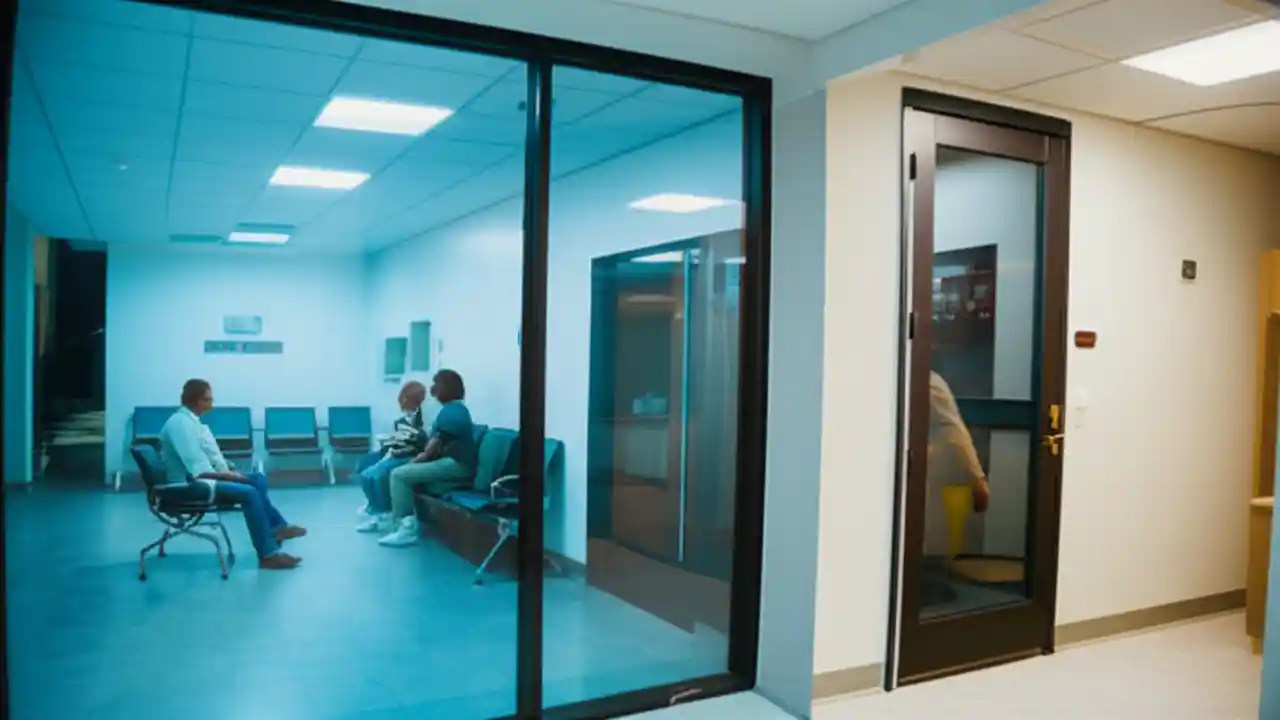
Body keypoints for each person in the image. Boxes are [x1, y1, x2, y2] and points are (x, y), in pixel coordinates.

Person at [157, 379, 306, 570]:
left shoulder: (191, 422)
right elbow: (197, 468)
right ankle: (268, 555)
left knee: (257, 479)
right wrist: (229, 476)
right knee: (249, 492)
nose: (211, 404)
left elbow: (207, 457)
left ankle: (276, 528)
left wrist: (226, 470)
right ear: (193, 400)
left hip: (201, 480)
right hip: (190, 486)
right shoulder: (180, 424)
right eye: (206, 400)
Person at [378, 369, 478, 547]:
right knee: (402, 471)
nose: (432, 389)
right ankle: (402, 522)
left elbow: (433, 446)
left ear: (446, 388)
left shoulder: (453, 412)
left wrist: (414, 462)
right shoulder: (453, 410)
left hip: (458, 465)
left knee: (399, 475)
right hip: (453, 462)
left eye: (436, 385)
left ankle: (407, 529)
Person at [921, 370, 991, 604]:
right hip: (926, 465)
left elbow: (951, 429)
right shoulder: (927, 379)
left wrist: (977, 479)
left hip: (932, 465)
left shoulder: (928, 381)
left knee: (930, 527)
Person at [353, 381, 428, 533]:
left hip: (412, 456)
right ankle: (376, 510)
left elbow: (420, 444)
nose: (405, 405)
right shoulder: (401, 421)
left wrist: (395, 451)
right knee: (366, 471)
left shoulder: (425, 419)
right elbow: (397, 439)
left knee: (379, 473)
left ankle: (383, 513)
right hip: (397, 452)